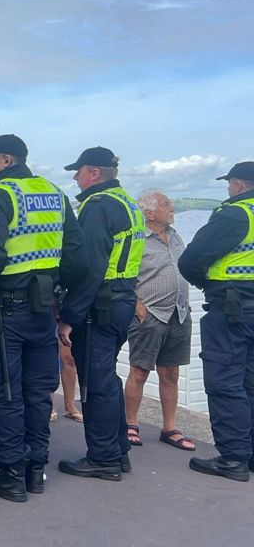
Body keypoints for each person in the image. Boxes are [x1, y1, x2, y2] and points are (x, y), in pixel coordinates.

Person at [0, 134, 84, 502]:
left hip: (7, 308)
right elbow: (77, 257)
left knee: (3, 389)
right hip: (43, 308)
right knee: (37, 391)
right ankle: (35, 468)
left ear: (4, 159)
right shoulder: (54, 192)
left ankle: (8, 471)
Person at [57, 147, 144, 481]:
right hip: (120, 300)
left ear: (93, 172)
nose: (76, 178)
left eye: (78, 172)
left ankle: (104, 458)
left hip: (99, 305)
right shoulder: (127, 203)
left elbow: (89, 267)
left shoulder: (97, 207)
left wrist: (70, 316)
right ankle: (117, 451)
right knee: (107, 378)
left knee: (95, 384)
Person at [178, 161, 254, 482]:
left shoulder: (236, 214)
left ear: (237, 185)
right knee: (250, 381)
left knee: (224, 380)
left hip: (231, 308)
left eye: (229, 185)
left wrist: (208, 284)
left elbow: (191, 259)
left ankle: (234, 457)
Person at [124, 189, 194, 450]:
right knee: (139, 371)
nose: (172, 208)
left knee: (171, 372)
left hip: (178, 312)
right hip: (150, 313)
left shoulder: (175, 236)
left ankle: (170, 428)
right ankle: (131, 423)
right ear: (149, 212)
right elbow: (124, 273)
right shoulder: (138, 238)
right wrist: (136, 304)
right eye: (166, 204)